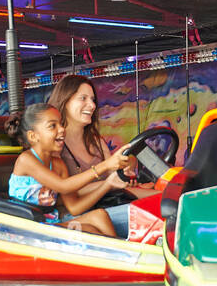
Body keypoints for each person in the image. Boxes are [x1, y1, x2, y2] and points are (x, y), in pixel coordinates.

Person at [49, 75, 154, 237]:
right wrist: (108, 183)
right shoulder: (55, 146)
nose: (91, 105)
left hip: (107, 203)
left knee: (170, 201)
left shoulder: (96, 141)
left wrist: (127, 167)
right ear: (64, 102)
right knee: (154, 214)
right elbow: (65, 197)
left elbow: (115, 179)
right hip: (80, 215)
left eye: (92, 99)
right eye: (83, 98)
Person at [5, 104, 132, 237]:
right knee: (90, 230)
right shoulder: (26, 160)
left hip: (49, 222)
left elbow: (74, 207)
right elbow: (63, 186)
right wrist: (105, 166)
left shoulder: (58, 165)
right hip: (26, 227)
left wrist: (108, 184)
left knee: (100, 215)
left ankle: (120, 255)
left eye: (61, 124)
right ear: (33, 136)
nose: (62, 129)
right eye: (52, 126)